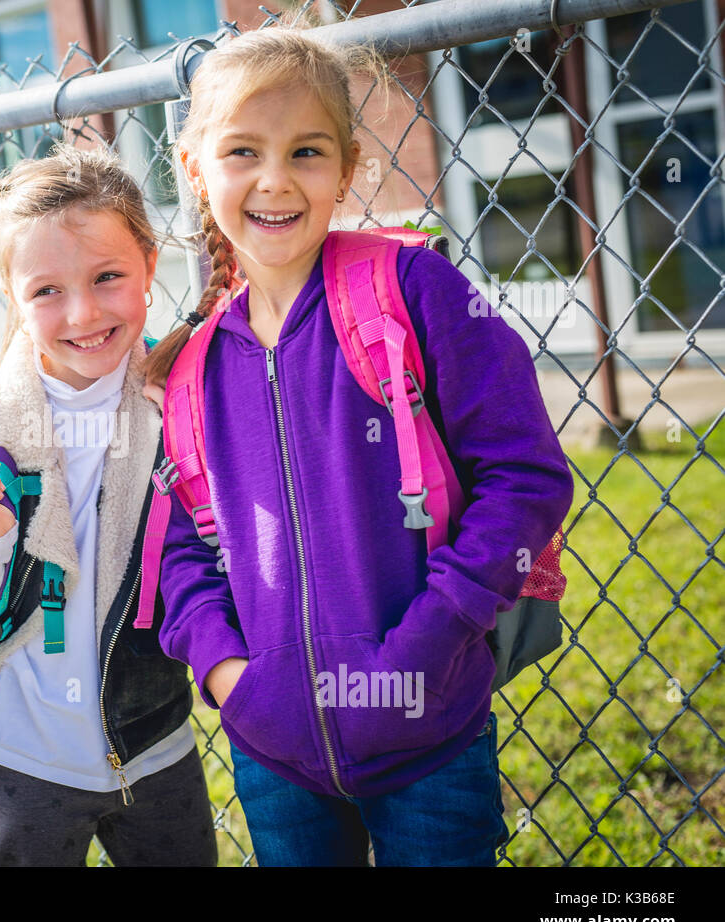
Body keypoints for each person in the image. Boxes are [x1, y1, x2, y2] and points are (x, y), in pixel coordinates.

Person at [144, 24, 574, 866]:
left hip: (431, 733)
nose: (276, 180)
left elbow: (525, 476)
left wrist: (433, 641)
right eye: (242, 151)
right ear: (195, 169)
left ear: (345, 169)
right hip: (275, 757)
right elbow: (180, 549)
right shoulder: (190, 369)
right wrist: (235, 682)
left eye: (306, 151)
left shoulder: (413, 290)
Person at [0, 144, 217, 867]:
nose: (82, 313)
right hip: (23, 764)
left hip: (154, 746)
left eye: (108, 277)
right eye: (47, 291)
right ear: (12, 297)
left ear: (149, 265)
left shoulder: (185, 404)